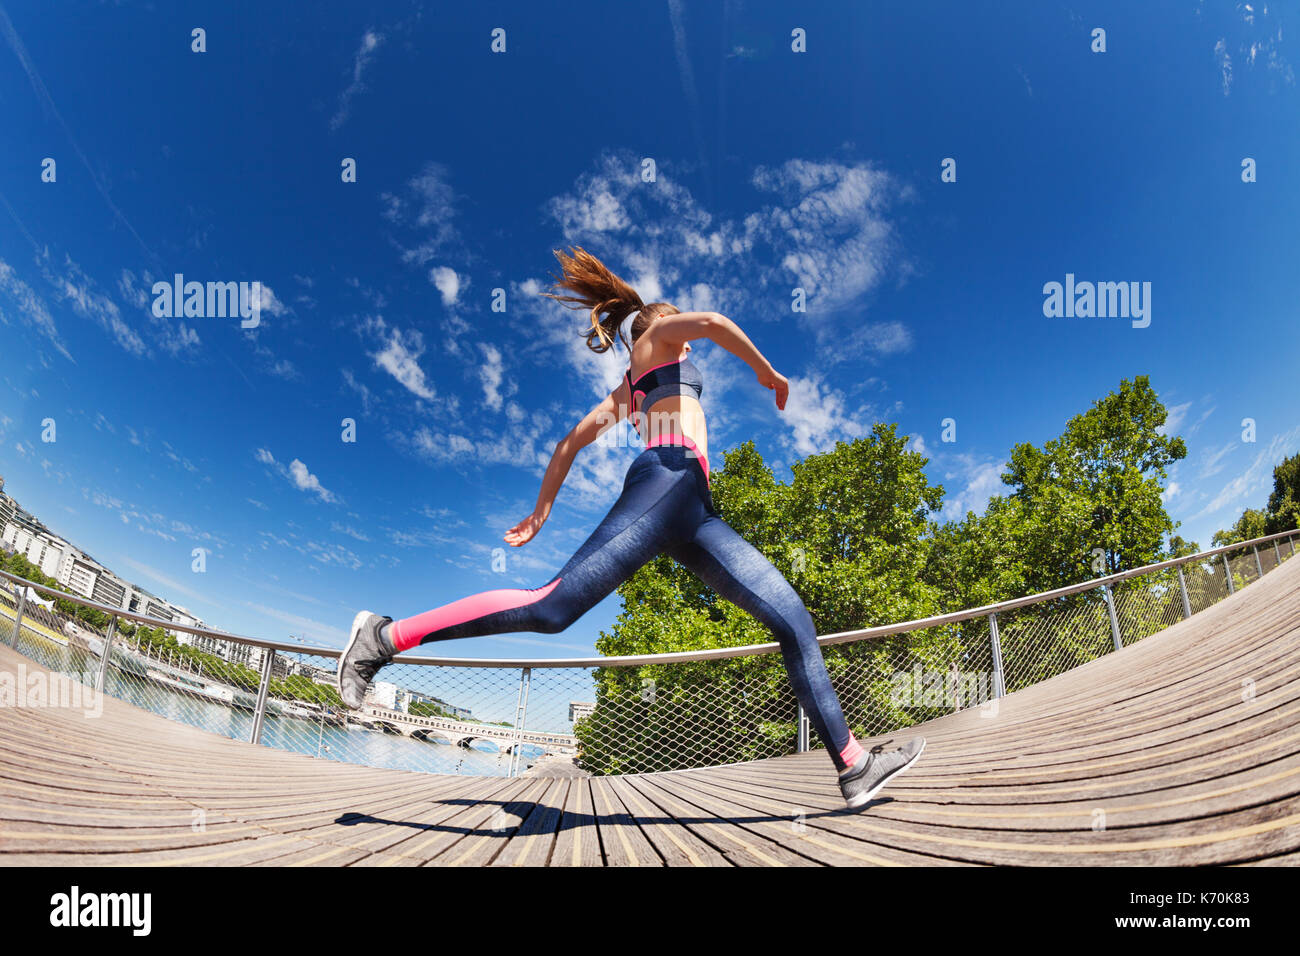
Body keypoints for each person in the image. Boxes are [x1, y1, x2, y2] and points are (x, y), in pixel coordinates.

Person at [338, 247, 924, 810]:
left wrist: (543, 510)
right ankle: (384, 638)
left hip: (694, 512)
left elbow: (569, 442)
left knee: (792, 618)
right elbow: (716, 321)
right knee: (550, 608)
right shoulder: (654, 341)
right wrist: (768, 374)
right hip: (665, 482)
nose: (690, 340)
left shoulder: (632, 390)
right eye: (681, 332)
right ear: (661, 329)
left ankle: (852, 765)